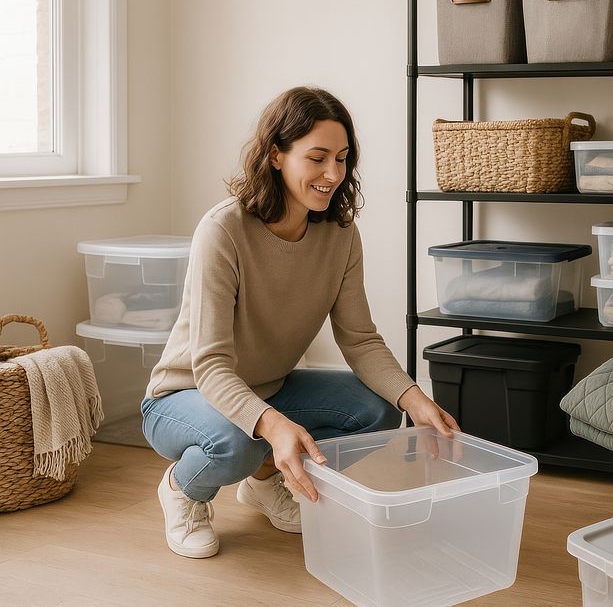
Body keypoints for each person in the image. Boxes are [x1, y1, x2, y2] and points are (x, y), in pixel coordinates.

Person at [140, 86, 459, 559]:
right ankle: (182, 490)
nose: (334, 174)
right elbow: (209, 366)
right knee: (237, 439)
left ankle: (264, 481)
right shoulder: (223, 229)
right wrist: (269, 424)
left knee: (377, 410)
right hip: (185, 394)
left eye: (343, 158)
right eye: (317, 158)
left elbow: (360, 339)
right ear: (275, 155)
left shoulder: (341, 235)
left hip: (270, 387)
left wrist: (415, 399)